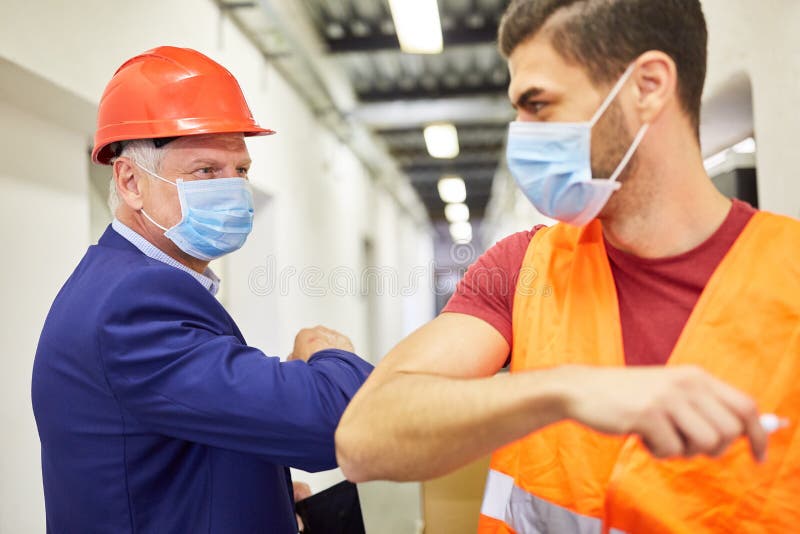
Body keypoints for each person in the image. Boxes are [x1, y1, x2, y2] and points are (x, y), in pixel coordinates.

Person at [335, 1, 800, 532]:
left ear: (648, 86)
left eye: (538, 104)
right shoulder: (525, 268)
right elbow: (363, 440)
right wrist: (565, 390)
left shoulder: (788, 273)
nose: (520, 134)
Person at [31, 46, 372, 533]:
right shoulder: (132, 306)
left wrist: (267, 497)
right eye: (206, 171)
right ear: (130, 182)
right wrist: (329, 356)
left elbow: (187, 432)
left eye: (241, 171)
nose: (233, 188)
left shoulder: (134, 285)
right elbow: (334, 424)